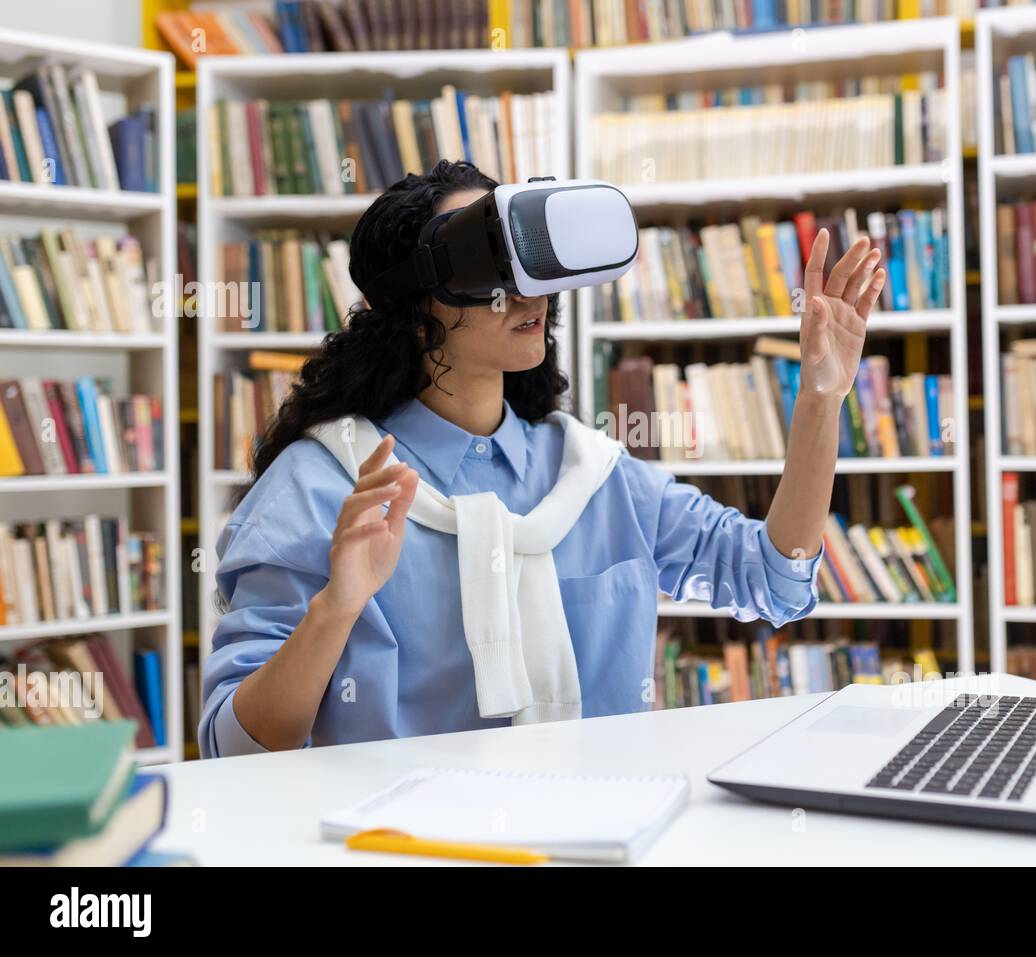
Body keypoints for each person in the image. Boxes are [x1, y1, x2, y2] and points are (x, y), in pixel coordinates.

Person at [198, 159, 885, 757]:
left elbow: (774, 581)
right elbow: (238, 744)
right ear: (414, 306)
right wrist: (335, 606)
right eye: (483, 262)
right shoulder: (322, 487)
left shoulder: (593, 477)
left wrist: (823, 398)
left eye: (526, 256)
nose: (528, 293)